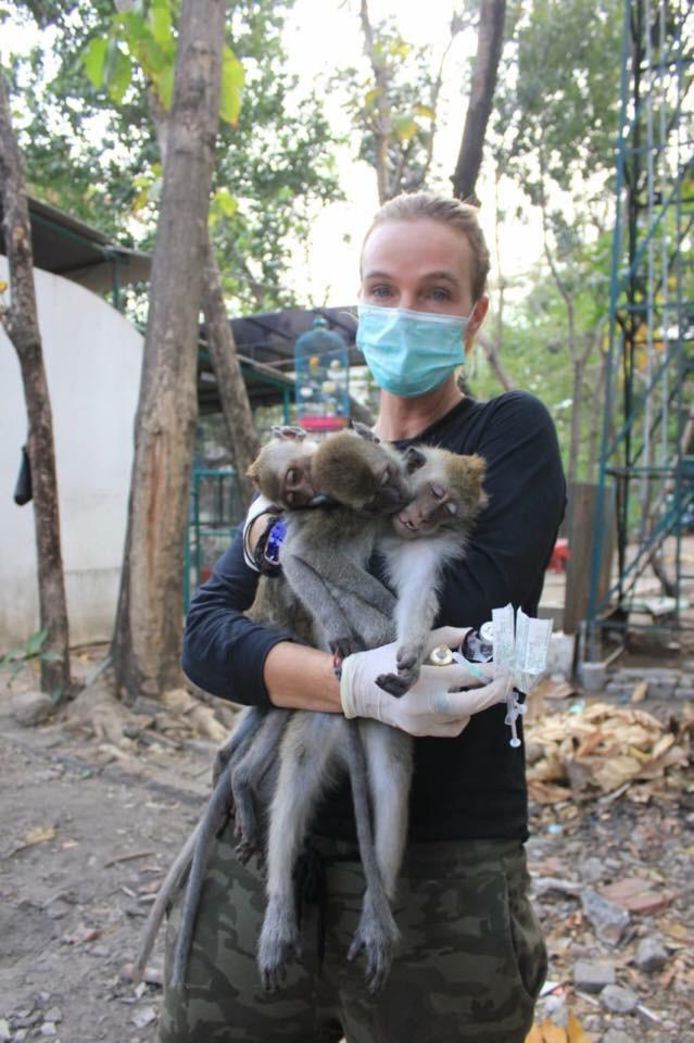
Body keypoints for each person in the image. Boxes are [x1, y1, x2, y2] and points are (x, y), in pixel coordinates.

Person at [158, 192, 566, 1043]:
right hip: (266, 838)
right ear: (358, 303)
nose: (404, 310)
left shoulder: (504, 434)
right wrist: (344, 676)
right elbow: (205, 638)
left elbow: (463, 611)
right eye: (383, 289)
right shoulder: (315, 458)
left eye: (435, 292)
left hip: (445, 863)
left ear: (474, 313)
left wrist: (285, 555)